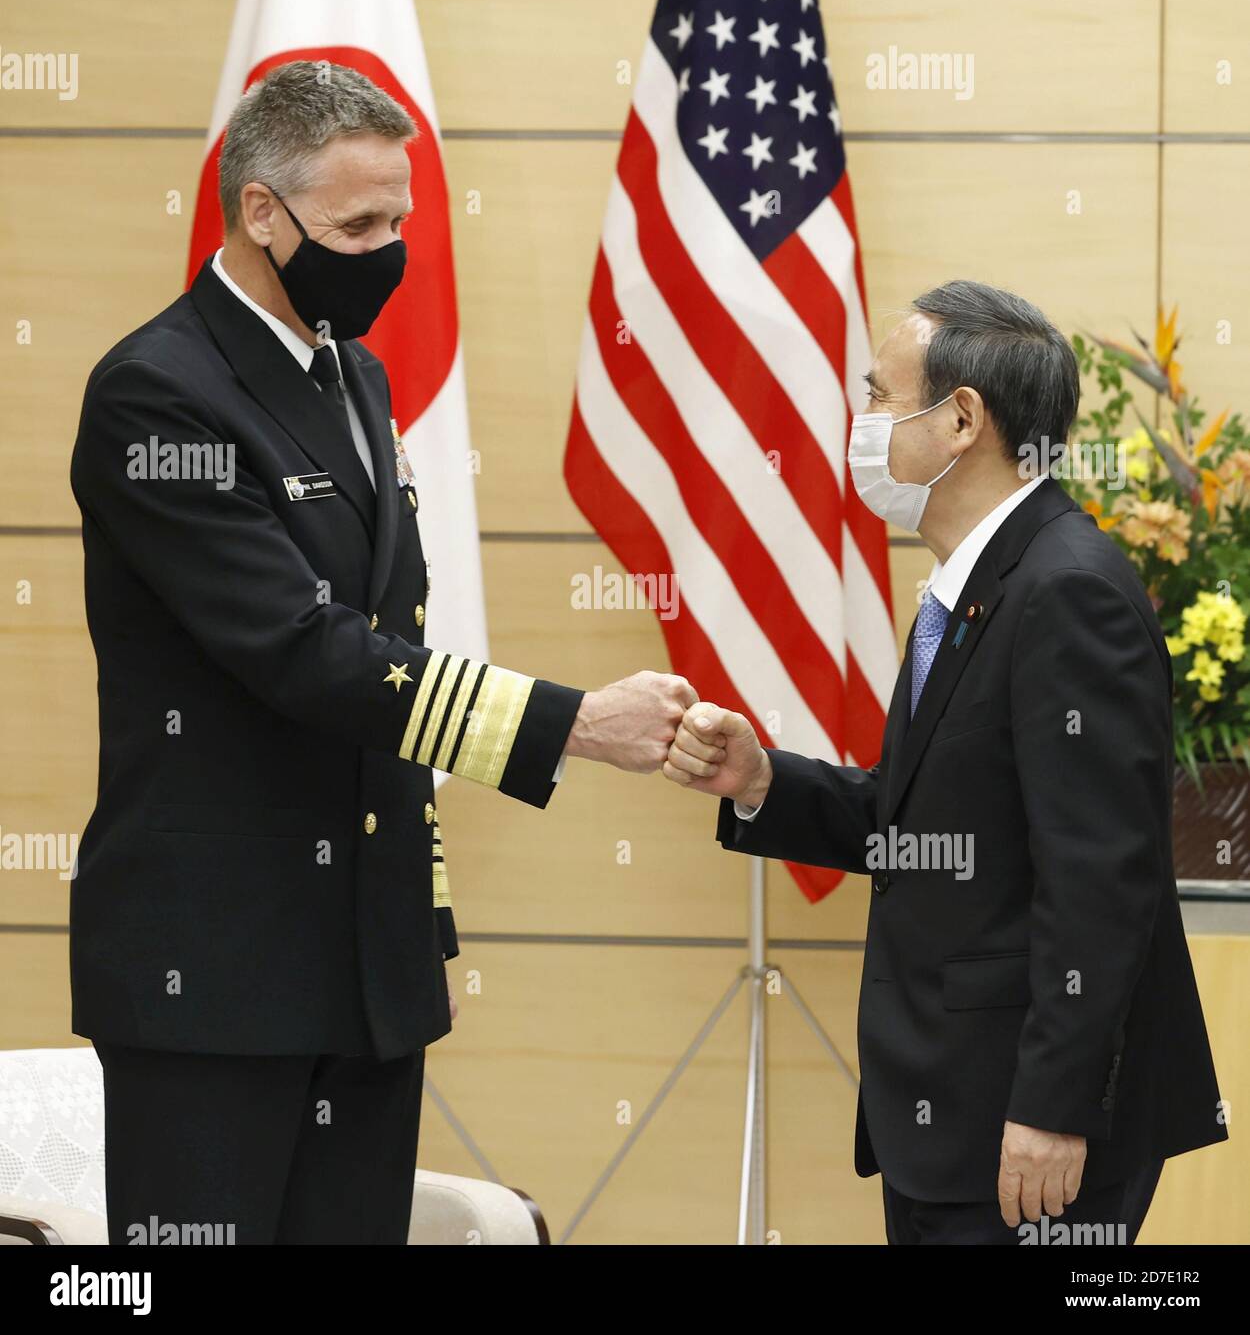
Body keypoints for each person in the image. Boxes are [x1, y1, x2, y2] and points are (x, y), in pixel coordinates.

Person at [70, 60, 692, 1245]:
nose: (388, 250)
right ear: (262, 212)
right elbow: (305, 652)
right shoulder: (155, 394)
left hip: (366, 964)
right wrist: (569, 724)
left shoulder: (353, 373)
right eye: (359, 226)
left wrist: (423, 914)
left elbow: (391, 646)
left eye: (399, 221)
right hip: (213, 972)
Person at [663, 280, 1228, 1245]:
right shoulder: (975, 588)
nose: (862, 421)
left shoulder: (1067, 591)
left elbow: (1101, 879)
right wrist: (763, 783)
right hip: (951, 1112)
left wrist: (1053, 1108)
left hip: (1029, 1125)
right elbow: (931, 822)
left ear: (962, 419)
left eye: (879, 396)